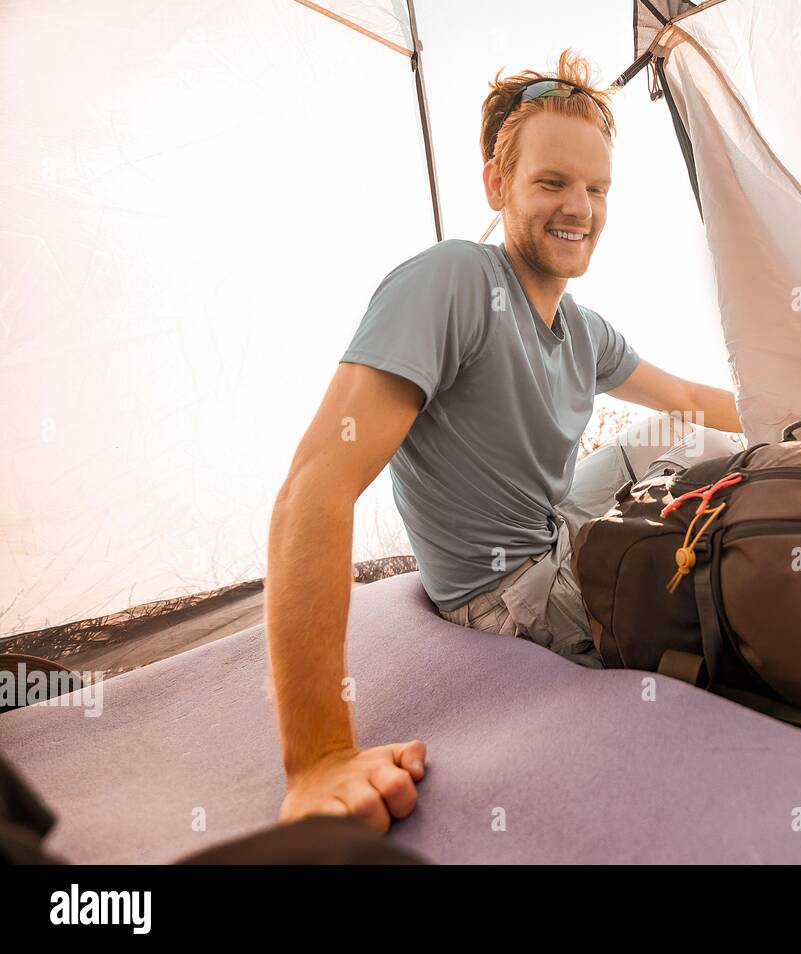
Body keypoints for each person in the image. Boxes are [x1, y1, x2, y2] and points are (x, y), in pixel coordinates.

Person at [265, 50, 744, 834]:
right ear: (498, 185)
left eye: (596, 189)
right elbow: (312, 488)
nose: (579, 208)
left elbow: (689, 399)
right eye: (553, 183)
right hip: (508, 592)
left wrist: (800, 428)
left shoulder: (583, 330)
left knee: (688, 436)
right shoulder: (452, 280)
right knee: (725, 567)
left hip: (552, 520)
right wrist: (318, 757)